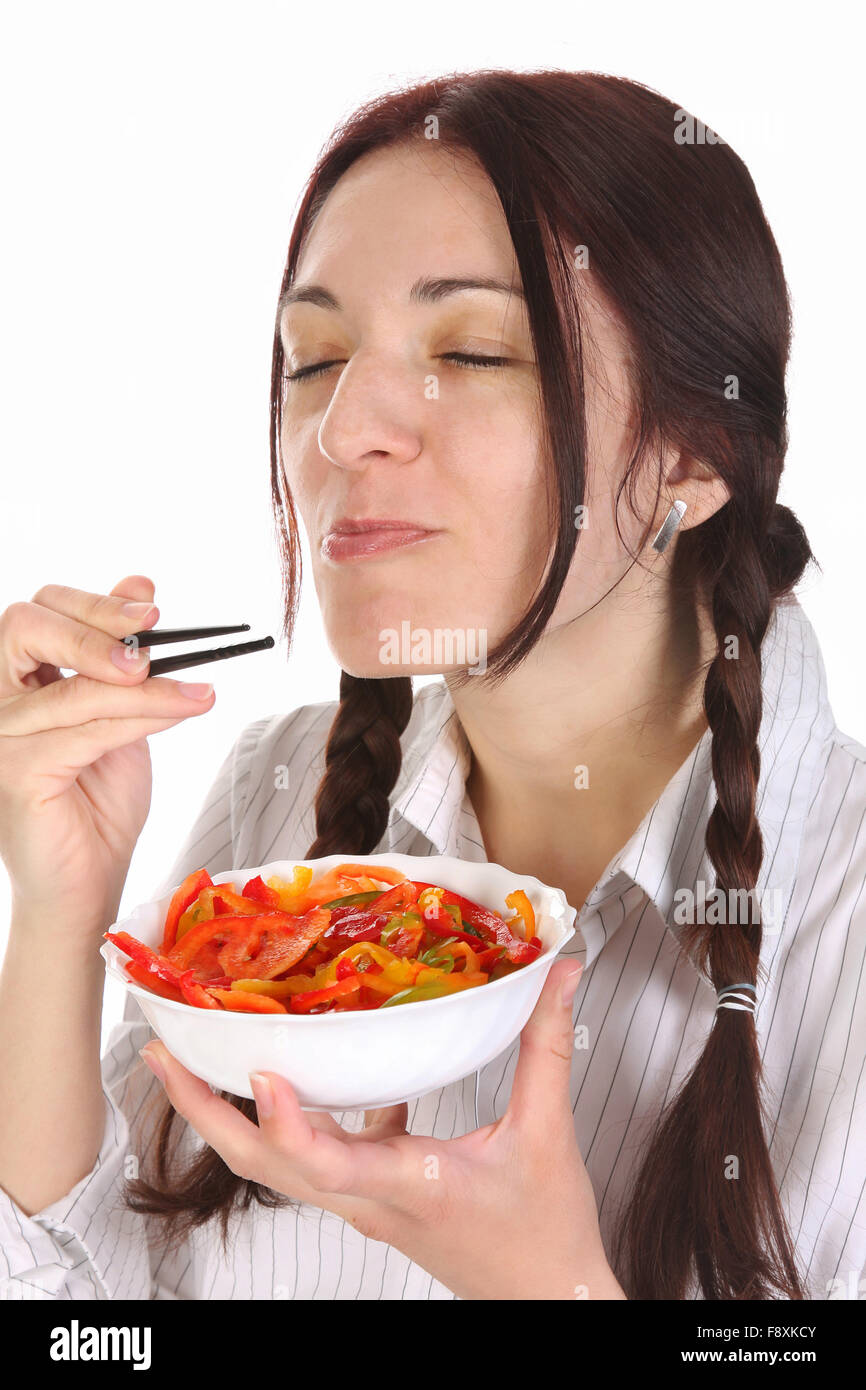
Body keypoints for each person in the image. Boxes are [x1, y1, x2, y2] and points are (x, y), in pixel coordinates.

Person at [1, 69, 864, 1302]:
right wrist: (53, 914)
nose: (343, 428)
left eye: (468, 349)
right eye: (314, 358)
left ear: (690, 456)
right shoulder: (278, 801)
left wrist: (549, 1286)